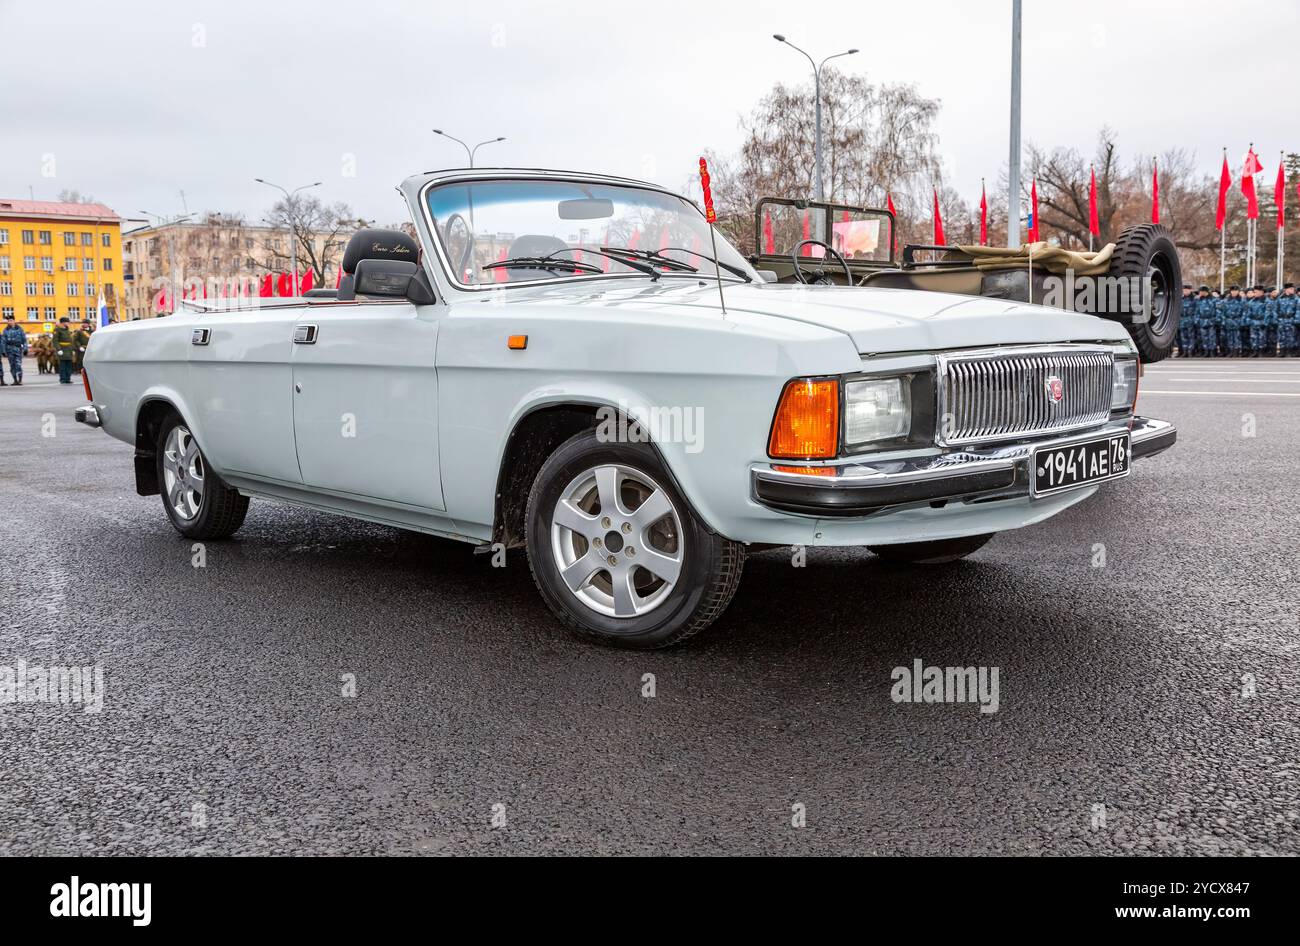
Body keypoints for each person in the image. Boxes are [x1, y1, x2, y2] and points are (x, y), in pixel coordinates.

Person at [1219, 286, 1245, 358]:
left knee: (1237, 337)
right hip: (1229, 320)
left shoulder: (1242, 300)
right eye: (1232, 291)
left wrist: (1242, 321)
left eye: (1236, 291)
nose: (1234, 292)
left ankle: (1236, 351)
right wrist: (1224, 320)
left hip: (1237, 320)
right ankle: (1230, 351)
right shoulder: (1226, 300)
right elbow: (1221, 312)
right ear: (1230, 292)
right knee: (1229, 337)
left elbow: (1245, 312)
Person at [0, 315, 27, 385]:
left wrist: (25, 349)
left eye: (11, 320)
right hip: (9, 350)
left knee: (18, 365)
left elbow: (24, 340)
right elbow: (3, 341)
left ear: (14, 321)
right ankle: (15, 380)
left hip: (18, 349)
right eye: (8, 321)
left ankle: (20, 380)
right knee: (12, 366)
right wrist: (3, 351)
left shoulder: (20, 329)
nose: (10, 322)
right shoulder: (5, 330)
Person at [1244, 287, 1269, 357]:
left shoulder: (1266, 301)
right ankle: (1255, 351)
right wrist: (1248, 321)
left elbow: (1267, 313)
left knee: (1262, 337)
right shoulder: (1252, 301)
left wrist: (1265, 322)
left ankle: (1261, 351)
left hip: (1261, 321)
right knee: (1253, 337)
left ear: (1261, 292)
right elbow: (1248, 312)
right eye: (1254, 292)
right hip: (1253, 321)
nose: (1255, 293)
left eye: (1256, 292)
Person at [51, 317, 76, 383]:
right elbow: (55, 341)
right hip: (62, 349)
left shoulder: (67, 330)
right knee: (62, 365)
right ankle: (63, 379)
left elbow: (71, 341)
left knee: (69, 365)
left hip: (69, 349)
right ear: (63, 323)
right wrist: (59, 349)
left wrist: (73, 349)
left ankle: (68, 378)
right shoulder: (57, 330)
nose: (68, 323)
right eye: (67, 322)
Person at [1194, 286, 1217, 357]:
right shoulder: (1198, 300)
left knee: (1212, 337)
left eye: (1201, 291)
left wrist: (1216, 320)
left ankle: (1212, 351)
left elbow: (1218, 310)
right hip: (1202, 320)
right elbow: (1197, 311)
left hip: (1211, 320)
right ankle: (1206, 351)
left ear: (1205, 291)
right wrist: (1196, 320)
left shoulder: (1214, 299)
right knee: (1204, 337)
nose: (1200, 293)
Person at [1278, 283, 1298, 357]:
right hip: (1282, 319)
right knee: (1281, 336)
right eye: (1291, 289)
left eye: (1293, 289)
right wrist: (1278, 319)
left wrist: (1296, 320)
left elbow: (1298, 310)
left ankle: (1290, 351)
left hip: (1291, 319)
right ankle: (1282, 351)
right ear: (1286, 289)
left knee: (1291, 336)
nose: (1292, 290)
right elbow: (1276, 310)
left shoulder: (1296, 299)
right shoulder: (1280, 298)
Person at [1177, 285, 1197, 356]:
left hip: (1190, 319)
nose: (1185, 291)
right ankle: (1185, 351)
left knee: (1191, 336)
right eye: (1184, 290)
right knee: (1183, 336)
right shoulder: (1181, 299)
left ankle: (1190, 351)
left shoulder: (1194, 299)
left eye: (1187, 290)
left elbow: (1197, 311)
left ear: (1190, 290)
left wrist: (1195, 320)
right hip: (1182, 320)